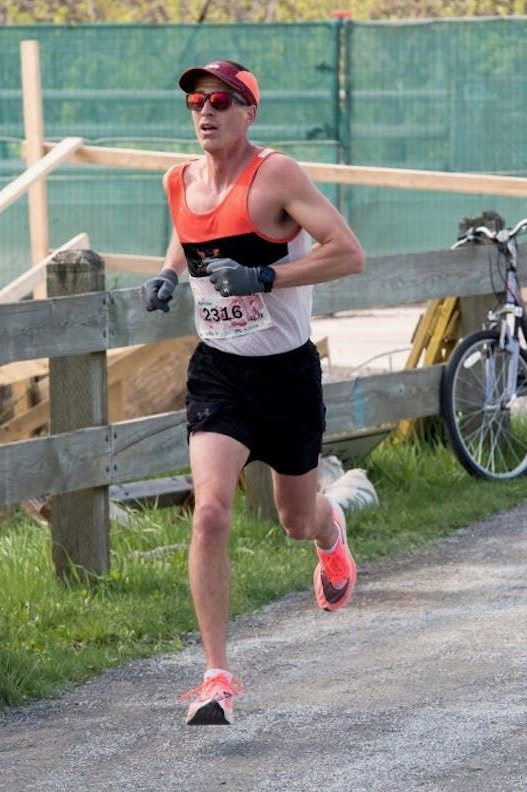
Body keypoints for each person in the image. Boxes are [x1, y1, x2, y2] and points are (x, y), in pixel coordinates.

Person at [141, 60, 365, 725]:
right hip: (220, 372)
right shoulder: (177, 181)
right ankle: (216, 677)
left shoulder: (278, 176)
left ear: (248, 112)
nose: (205, 112)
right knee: (210, 513)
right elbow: (191, 237)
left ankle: (331, 531)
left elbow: (348, 252)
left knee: (296, 520)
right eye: (195, 103)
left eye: (221, 101)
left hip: (287, 374)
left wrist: (263, 278)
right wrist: (166, 272)